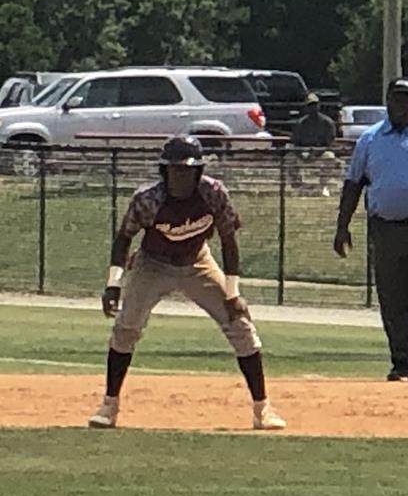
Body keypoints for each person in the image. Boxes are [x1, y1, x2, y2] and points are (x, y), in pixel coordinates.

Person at [93, 136, 283, 430]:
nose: (181, 176)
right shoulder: (148, 199)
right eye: (175, 170)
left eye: (187, 170)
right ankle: (109, 407)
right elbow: (124, 238)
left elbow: (229, 241)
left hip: (197, 262)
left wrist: (233, 294)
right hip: (153, 264)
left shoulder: (214, 193)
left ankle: (263, 410)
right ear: (164, 171)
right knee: (126, 328)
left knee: (241, 326)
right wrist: (113, 284)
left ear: (199, 171)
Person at [333, 76, 408, 382]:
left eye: (406, 98)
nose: (400, 103)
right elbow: (353, 183)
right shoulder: (371, 139)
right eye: (395, 98)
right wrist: (341, 226)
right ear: (387, 100)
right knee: (395, 301)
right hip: (386, 230)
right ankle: (403, 365)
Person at [288, 92, 339, 195]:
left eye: (315, 105)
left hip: (320, 152)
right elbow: (295, 142)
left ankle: (323, 186)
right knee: (289, 158)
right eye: (310, 105)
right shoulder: (300, 123)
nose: (313, 108)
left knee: (330, 157)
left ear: (319, 106)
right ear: (306, 107)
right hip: (303, 152)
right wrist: (301, 153)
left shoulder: (327, 123)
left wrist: (317, 152)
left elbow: (329, 143)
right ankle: (298, 187)